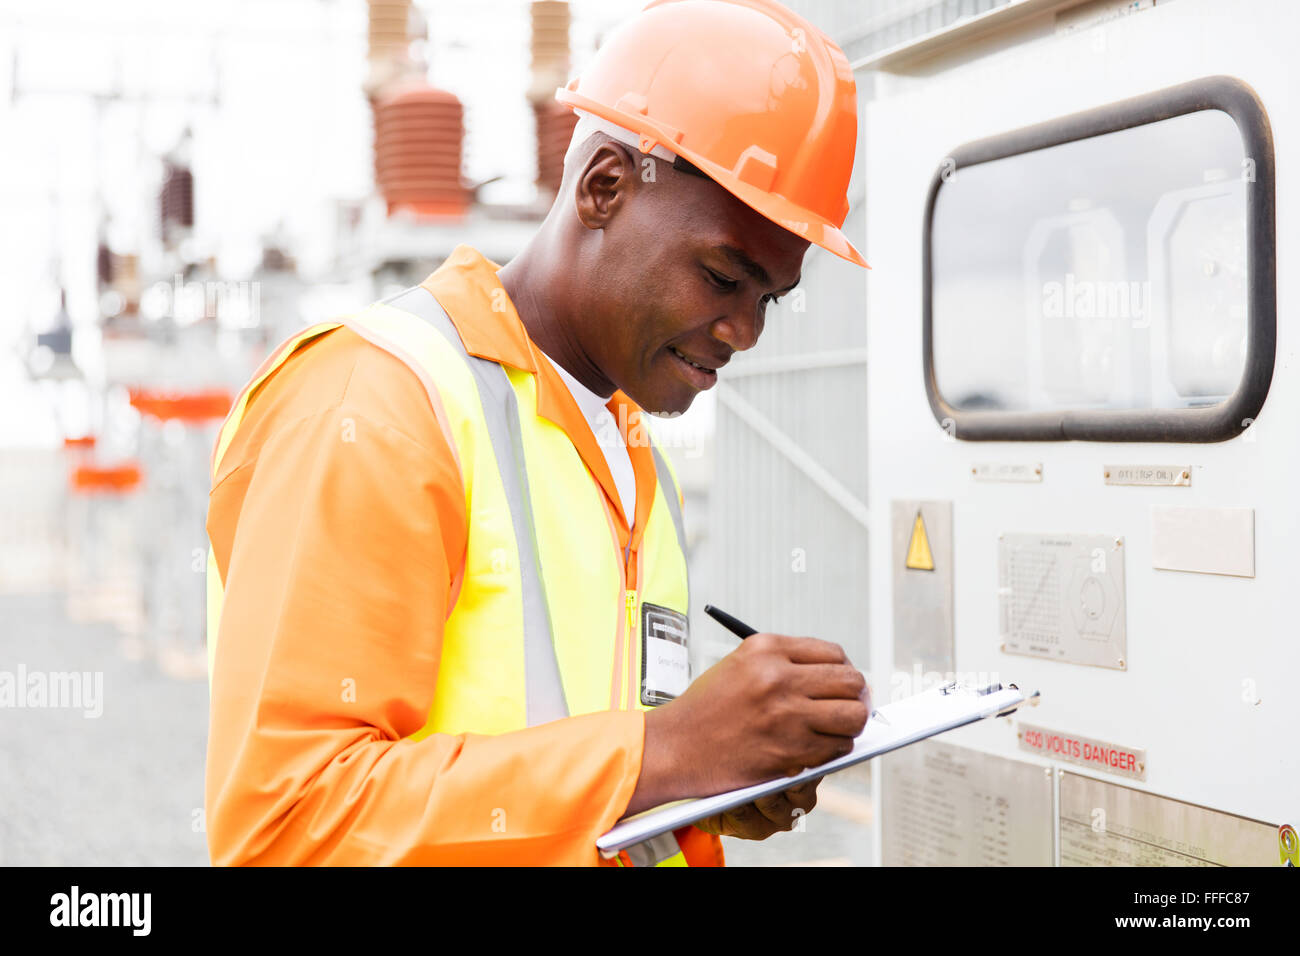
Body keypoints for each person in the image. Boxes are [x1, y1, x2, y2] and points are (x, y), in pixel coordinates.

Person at [204, 0, 871, 866]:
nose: (745, 331)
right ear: (603, 187)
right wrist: (665, 752)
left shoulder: (627, 453)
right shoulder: (377, 406)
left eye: (768, 299)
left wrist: (707, 787)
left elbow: (576, 767)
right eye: (722, 276)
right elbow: (288, 825)